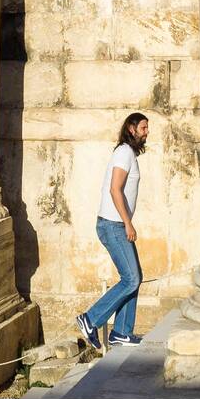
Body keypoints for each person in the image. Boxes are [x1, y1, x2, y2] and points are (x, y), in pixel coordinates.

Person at [76, 112, 148, 349]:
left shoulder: (127, 154)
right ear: (131, 128)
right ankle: (90, 319)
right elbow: (115, 189)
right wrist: (128, 222)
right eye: (143, 128)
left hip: (116, 224)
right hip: (113, 224)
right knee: (131, 278)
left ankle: (121, 332)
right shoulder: (124, 153)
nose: (147, 133)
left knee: (134, 278)